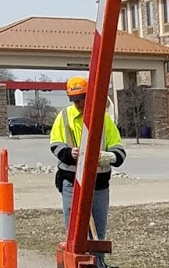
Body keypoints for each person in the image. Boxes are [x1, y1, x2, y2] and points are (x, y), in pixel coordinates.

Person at [49, 74, 125, 242]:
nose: (78, 104)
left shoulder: (103, 119)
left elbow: (119, 151)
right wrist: (69, 153)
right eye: (74, 100)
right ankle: (76, 264)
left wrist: (109, 157)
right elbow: (55, 144)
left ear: (89, 96)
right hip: (71, 181)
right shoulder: (64, 117)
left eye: (82, 99)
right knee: (74, 231)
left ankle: (98, 264)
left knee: (98, 232)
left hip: (99, 183)